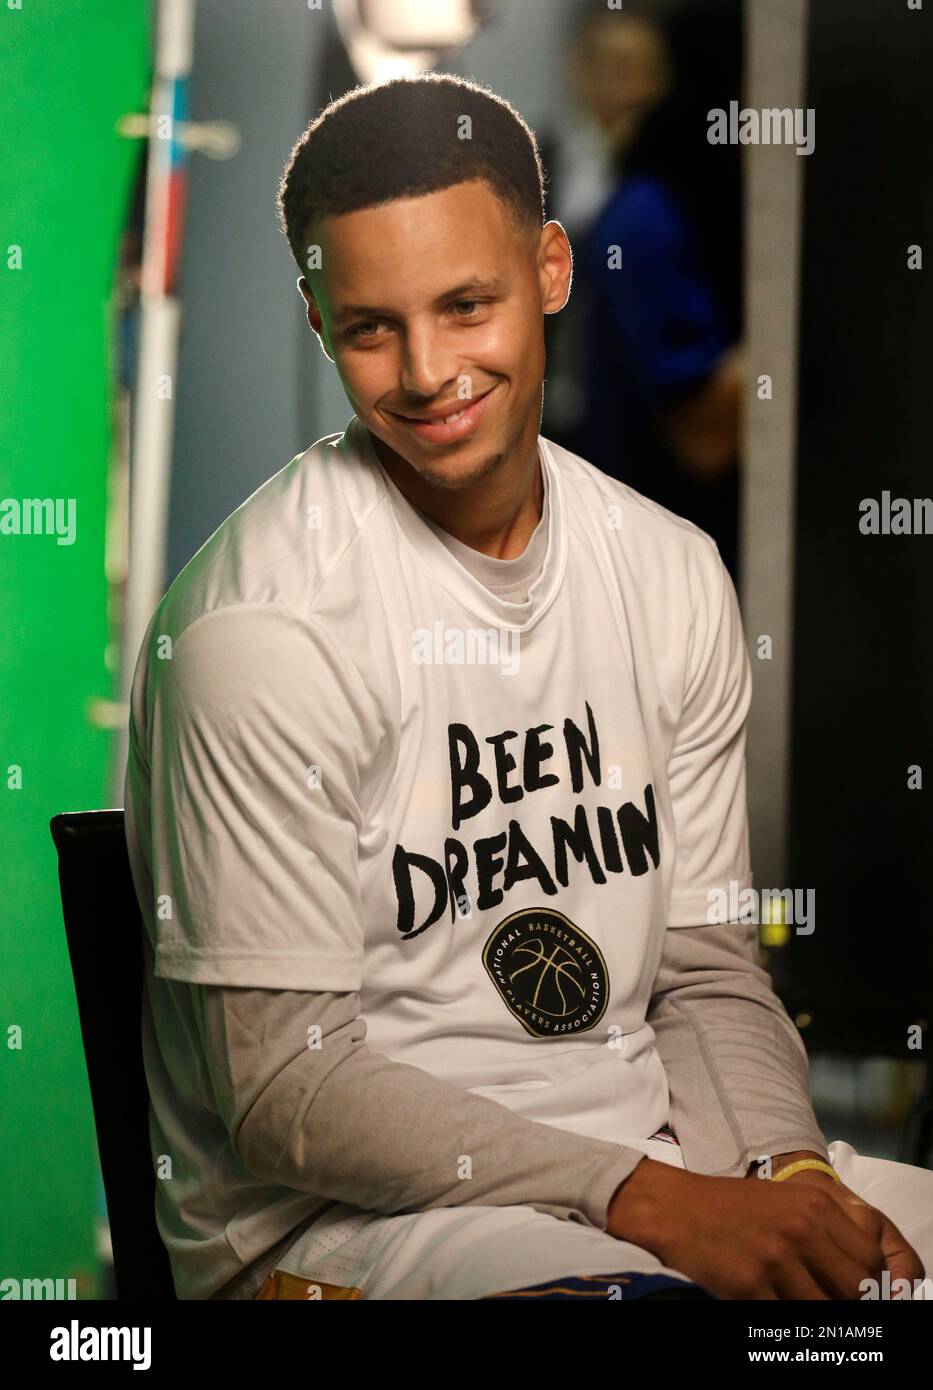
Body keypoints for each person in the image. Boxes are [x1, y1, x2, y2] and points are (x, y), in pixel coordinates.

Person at [123, 73, 932, 1302]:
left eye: (466, 304)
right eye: (370, 325)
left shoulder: (666, 573)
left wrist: (789, 1168)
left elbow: (706, 972)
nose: (426, 371)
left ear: (551, 268)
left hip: (651, 1165)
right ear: (317, 316)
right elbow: (287, 1090)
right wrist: (654, 1203)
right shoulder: (261, 629)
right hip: (354, 1227)